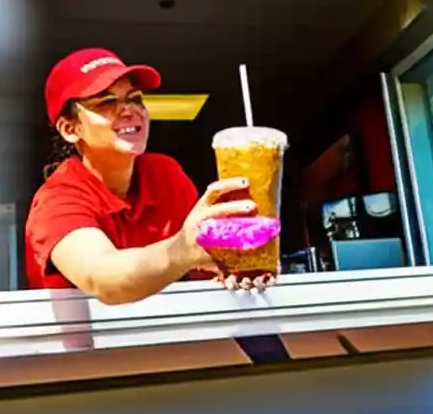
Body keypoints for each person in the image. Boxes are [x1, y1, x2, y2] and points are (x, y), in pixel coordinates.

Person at [25, 47, 273, 304]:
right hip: (88, 344)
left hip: (169, 339)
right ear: (70, 129)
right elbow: (103, 278)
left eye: (135, 99)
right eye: (107, 102)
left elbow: (201, 273)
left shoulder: (165, 174)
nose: (129, 110)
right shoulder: (56, 201)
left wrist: (234, 268)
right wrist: (185, 249)